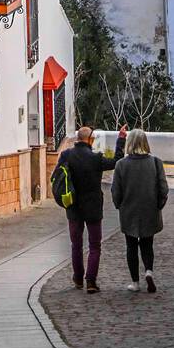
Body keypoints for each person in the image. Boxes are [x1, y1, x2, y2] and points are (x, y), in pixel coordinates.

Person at [57, 125, 116, 293]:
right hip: (93, 207)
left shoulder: (66, 155)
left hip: (73, 206)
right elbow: (116, 161)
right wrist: (121, 139)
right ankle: (90, 281)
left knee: (76, 244)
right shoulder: (96, 158)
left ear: (77, 139)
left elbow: (58, 176)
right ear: (90, 139)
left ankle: (77, 278)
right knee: (94, 245)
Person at [111, 128, 169, 293]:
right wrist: (159, 205)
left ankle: (135, 282)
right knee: (147, 244)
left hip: (129, 210)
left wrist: (119, 205)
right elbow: (163, 188)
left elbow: (116, 190)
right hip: (149, 209)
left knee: (131, 246)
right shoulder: (156, 162)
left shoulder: (121, 165)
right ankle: (149, 271)